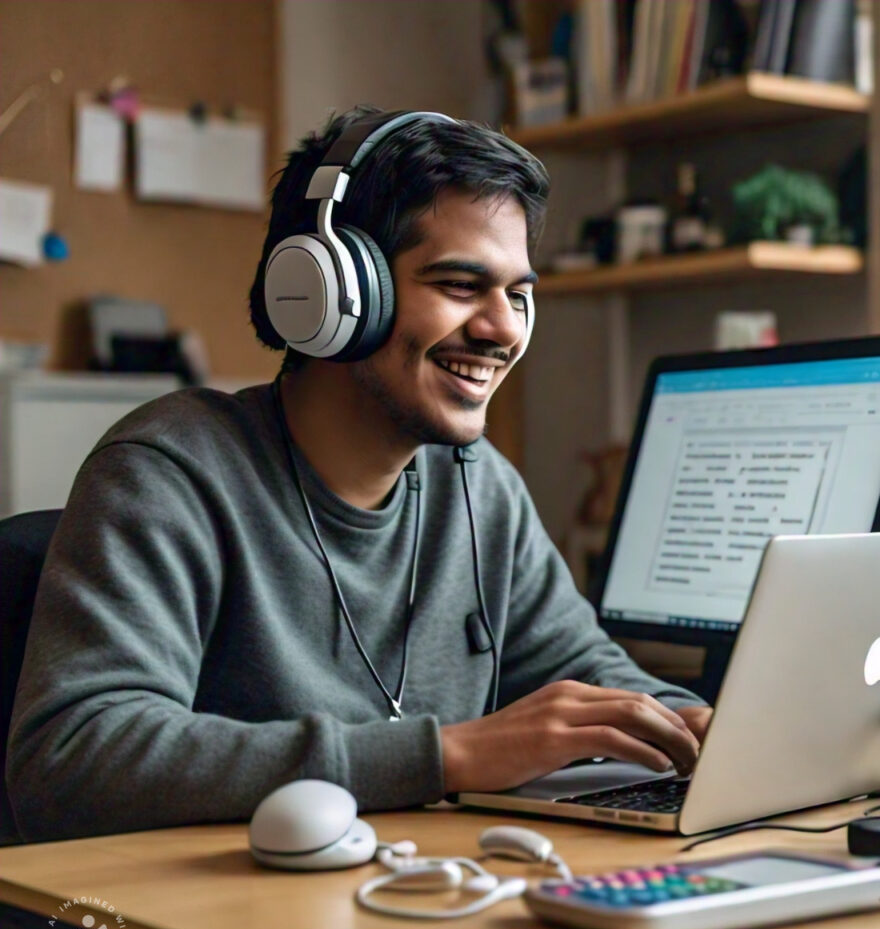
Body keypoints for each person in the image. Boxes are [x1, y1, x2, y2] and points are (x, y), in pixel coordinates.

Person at [6, 106, 710, 845]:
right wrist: (447, 756)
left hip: (410, 905)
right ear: (332, 293)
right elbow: (71, 760)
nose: (504, 329)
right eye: (462, 284)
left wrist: (702, 726)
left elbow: (588, 675)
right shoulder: (170, 472)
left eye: (519, 294)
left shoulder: (479, 488)